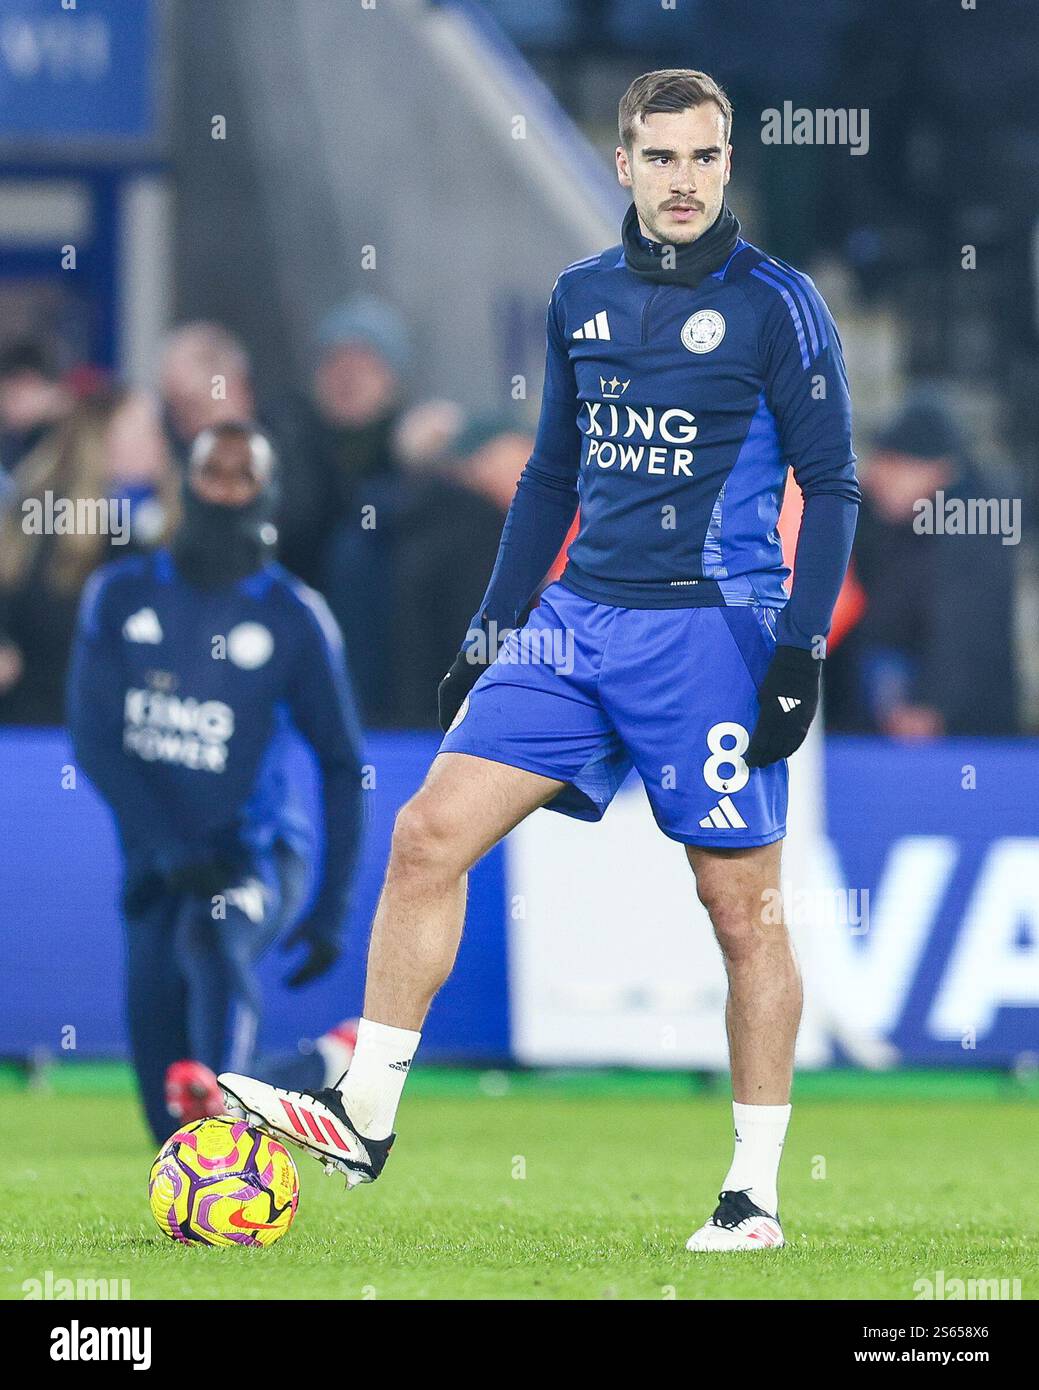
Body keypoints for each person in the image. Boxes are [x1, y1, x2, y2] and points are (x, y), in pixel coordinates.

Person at [219, 69, 860, 1253]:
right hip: (575, 621)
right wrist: (492, 622)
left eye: (702, 158)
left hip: (710, 628)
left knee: (739, 910)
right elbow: (550, 476)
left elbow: (831, 487)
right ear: (622, 164)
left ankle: (752, 1193)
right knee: (426, 835)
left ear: (728, 167)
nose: (681, 180)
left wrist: (797, 650)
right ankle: (365, 1116)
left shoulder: (780, 306)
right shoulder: (582, 296)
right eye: (659, 157)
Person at [67, 422, 366, 1143]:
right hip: (156, 862)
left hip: (255, 855)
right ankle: (321, 1065)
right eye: (213, 472)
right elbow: (96, 738)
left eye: (244, 476)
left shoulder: (293, 616)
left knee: (210, 937)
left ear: (266, 493)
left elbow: (340, 762)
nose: (227, 488)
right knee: (166, 1117)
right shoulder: (119, 595)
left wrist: (329, 907)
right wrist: (163, 846)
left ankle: (234, 1132)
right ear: (186, 481)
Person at [827, 390, 1019, 736]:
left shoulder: (975, 523)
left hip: (963, 737)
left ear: (939, 470)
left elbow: (967, 628)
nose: (877, 477)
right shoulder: (885, 519)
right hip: (877, 719)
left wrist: (933, 705)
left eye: (897, 465)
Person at [0, 387, 177, 725]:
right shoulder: (57, 530)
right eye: (147, 431)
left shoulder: (36, 516)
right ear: (105, 441)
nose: (161, 442)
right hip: (44, 732)